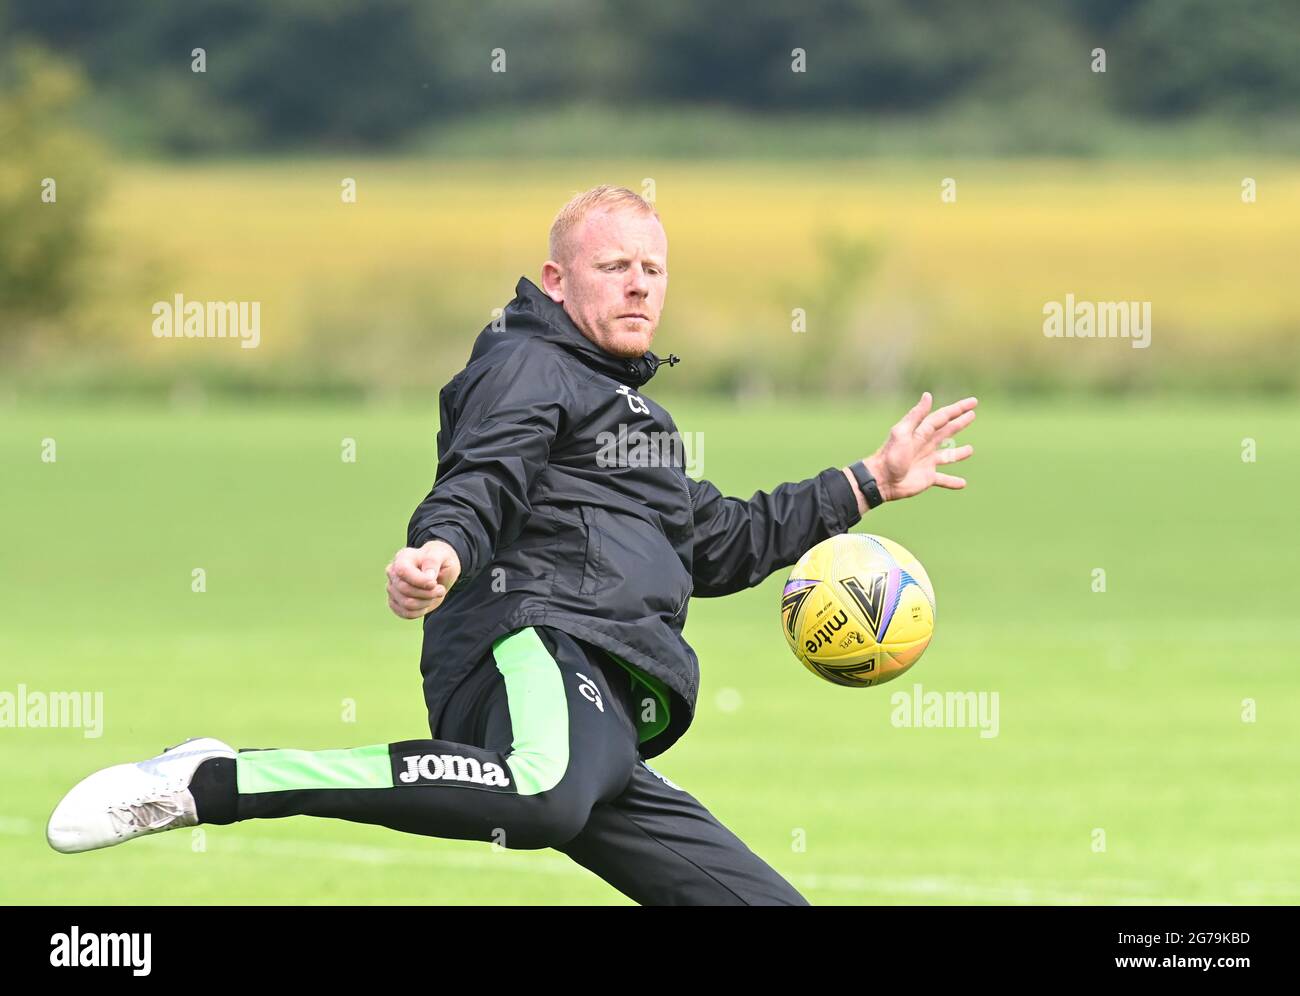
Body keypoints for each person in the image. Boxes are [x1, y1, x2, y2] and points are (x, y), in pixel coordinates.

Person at [46, 185, 976, 905]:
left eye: (654, 268)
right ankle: (217, 779)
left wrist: (864, 484)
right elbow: (484, 474)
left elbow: (714, 543)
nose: (641, 283)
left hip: (608, 706)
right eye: (615, 265)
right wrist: (442, 549)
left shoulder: (639, 413)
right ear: (558, 279)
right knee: (541, 793)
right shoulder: (528, 363)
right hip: (532, 640)